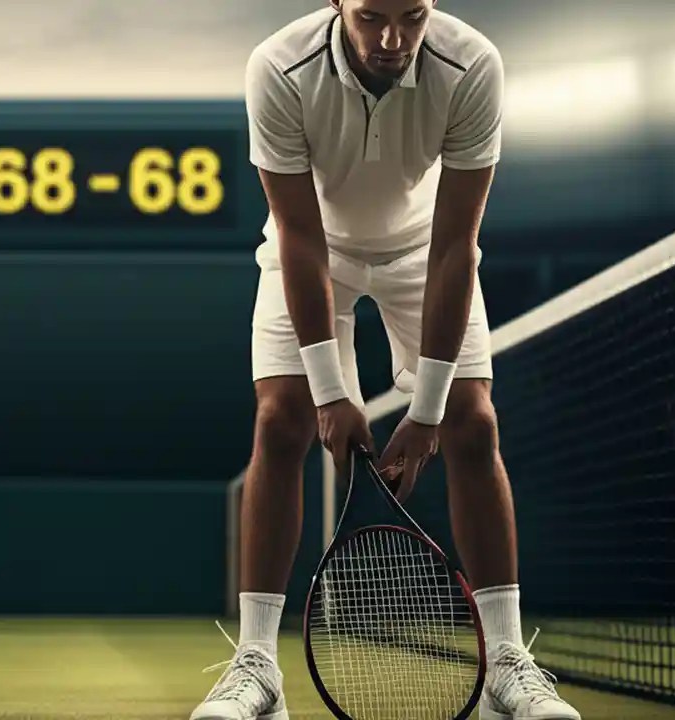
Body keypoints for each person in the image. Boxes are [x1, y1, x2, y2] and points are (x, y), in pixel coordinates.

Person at [191, 2, 582, 719]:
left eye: (412, 16)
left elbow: (455, 246)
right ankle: (256, 667)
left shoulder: (473, 66)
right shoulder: (277, 67)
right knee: (281, 419)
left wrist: (427, 412)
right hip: (313, 252)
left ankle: (506, 663)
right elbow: (300, 243)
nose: (393, 39)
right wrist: (332, 394)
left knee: (473, 423)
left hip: (424, 253)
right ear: (339, 4)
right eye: (372, 17)